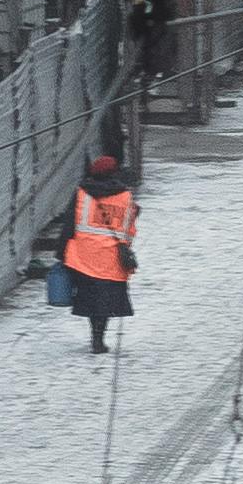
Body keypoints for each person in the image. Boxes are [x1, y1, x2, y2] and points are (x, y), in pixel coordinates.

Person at [63, 151, 138, 355]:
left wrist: (61, 254)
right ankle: (99, 337)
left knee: (90, 299)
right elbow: (129, 229)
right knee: (105, 302)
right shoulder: (125, 196)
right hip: (111, 260)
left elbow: (68, 225)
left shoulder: (80, 193)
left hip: (83, 256)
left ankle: (95, 336)